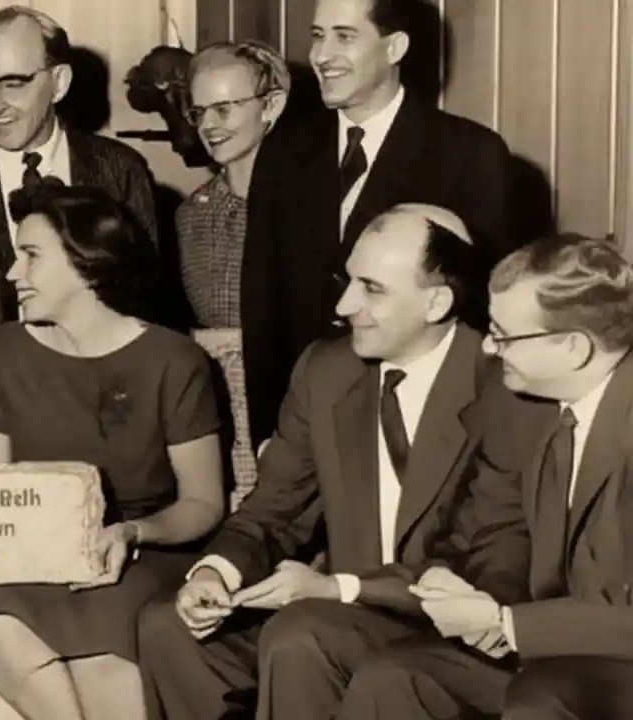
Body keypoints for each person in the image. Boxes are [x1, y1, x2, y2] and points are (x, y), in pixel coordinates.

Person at [138, 204, 505, 720]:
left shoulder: (503, 381)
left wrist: (340, 589)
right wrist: (214, 573)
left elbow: (481, 555)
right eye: (347, 279)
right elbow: (276, 508)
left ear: (437, 302)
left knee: (302, 633)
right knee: (169, 626)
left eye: (372, 288)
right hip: (345, 614)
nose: (344, 304)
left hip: (455, 628)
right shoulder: (326, 370)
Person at [337, 234, 633, 719]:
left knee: (540, 700)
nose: (491, 350)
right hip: (543, 646)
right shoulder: (522, 405)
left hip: (617, 661)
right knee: (395, 676)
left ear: (574, 347)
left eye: (505, 335)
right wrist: (481, 600)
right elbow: (500, 529)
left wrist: (507, 623)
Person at [0, 182, 225, 720]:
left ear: (87, 266)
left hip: (137, 557)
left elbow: (204, 503)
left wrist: (132, 533)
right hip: (26, 561)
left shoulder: (174, 361)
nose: (13, 274)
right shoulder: (1, 351)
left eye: (31, 256)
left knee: (102, 661)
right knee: (7, 629)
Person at [240, 0, 514, 448]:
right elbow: (261, 300)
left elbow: (483, 308)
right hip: (307, 420)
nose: (321, 55)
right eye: (316, 35)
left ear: (395, 47)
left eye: (344, 37)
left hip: (423, 422)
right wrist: (272, 429)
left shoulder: (470, 154)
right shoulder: (283, 152)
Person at [0, 5, 159, 415]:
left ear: (59, 82)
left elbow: (145, 309)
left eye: (13, 83)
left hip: (101, 410)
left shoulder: (120, 171)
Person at [176, 40, 289, 504]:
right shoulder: (191, 213)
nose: (208, 125)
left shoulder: (307, 204)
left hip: (285, 401)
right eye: (200, 112)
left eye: (224, 108)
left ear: (272, 105)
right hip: (212, 405)